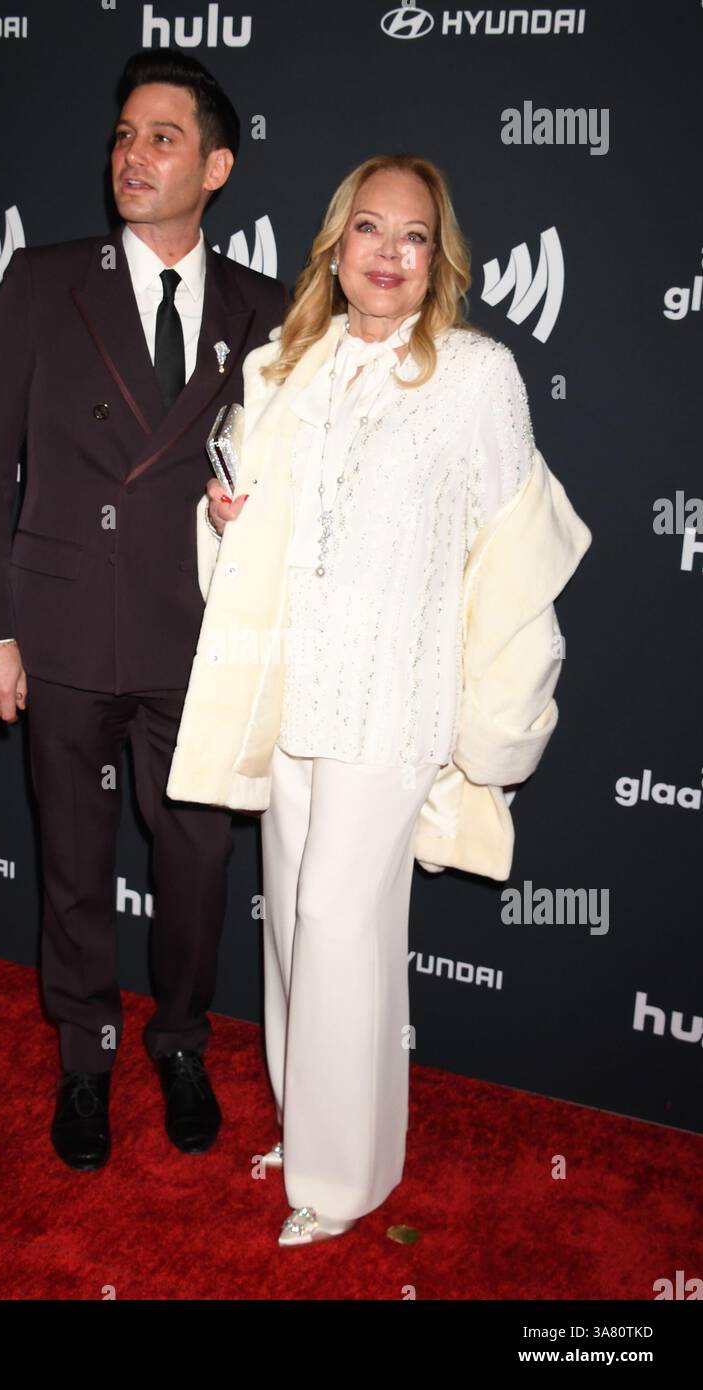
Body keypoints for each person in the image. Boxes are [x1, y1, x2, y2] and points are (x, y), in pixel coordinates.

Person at [166, 154, 591, 1244]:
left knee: (339, 926)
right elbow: (251, 536)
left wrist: (490, 714)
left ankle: (342, 1181)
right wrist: (222, 524)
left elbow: (514, 554)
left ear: (436, 255)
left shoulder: (473, 373)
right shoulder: (282, 366)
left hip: (390, 700)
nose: (388, 255)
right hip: (293, 690)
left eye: (412, 235)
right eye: (368, 229)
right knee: (291, 934)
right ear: (334, 246)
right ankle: (310, 1133)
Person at [0, 51, 287, 1172]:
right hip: (62, 630)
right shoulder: (45, 282)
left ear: (218, 166)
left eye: (161, 138)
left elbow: (293, 475)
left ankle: (181, 1042)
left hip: (201, 642)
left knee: (196, 864)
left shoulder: (265, 309)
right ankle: (87, 1057)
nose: (131, 157)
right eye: (123, 135)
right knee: (73, 858)